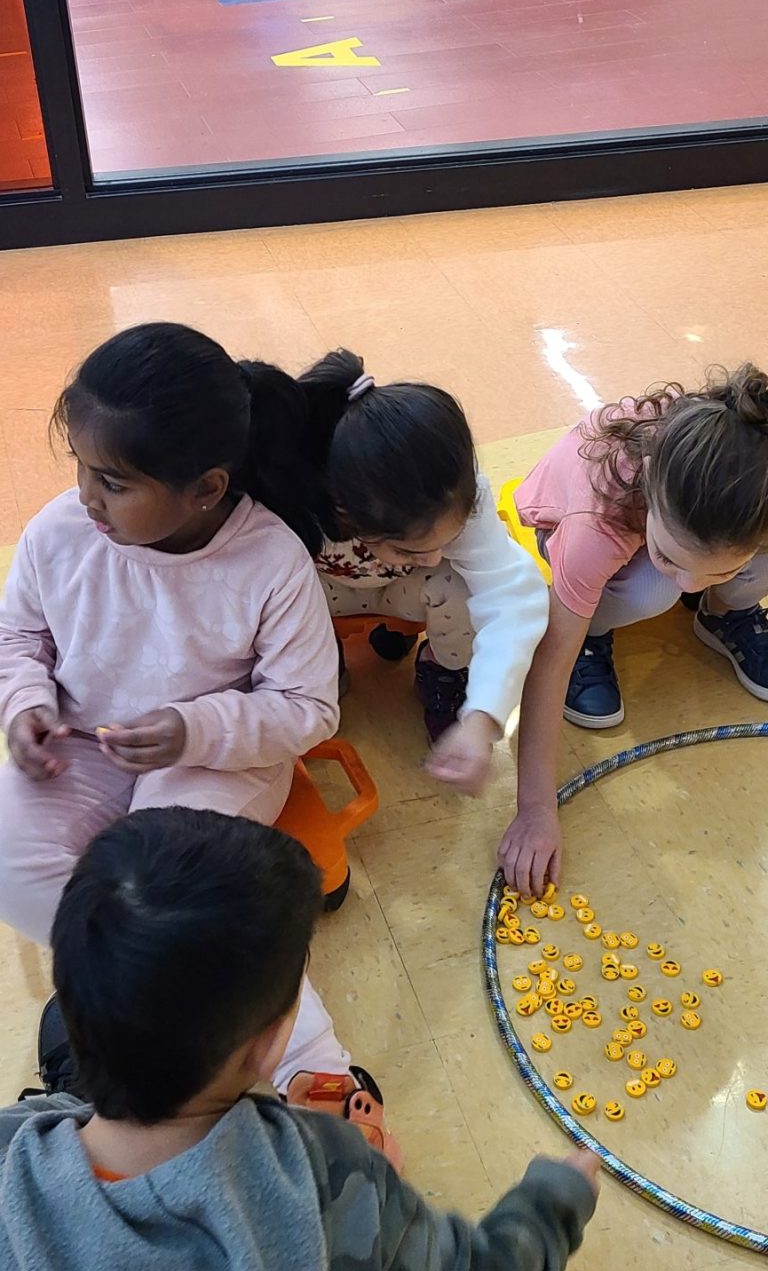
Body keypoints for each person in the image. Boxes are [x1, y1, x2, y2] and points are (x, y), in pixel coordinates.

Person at [0, 807, 600, 1271]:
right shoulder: (333, 1184)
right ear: (267, 1049)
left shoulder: (11, 1149)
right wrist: (553, 1201)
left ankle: (102, 1078)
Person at [0, 321, 359, 1101]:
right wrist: (25, 701)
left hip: (211, 761)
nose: (87, 497)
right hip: (83, 742)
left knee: (177, 890)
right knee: (8, 855)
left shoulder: (269, 562)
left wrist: (194, 727)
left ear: (206, 487)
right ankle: (151, 997)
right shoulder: (60, 531)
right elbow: (17, 634)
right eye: (83, 470)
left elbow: (307, 706)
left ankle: (318, 1067)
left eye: (115, 483)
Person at [499, 364, 768, 895]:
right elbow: (546, 664)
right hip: (565, 524)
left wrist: (706, 567)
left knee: (713, 570)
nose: (693, 581)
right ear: (648, 483)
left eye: (717, 571)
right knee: (657, 590)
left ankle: (725, 611)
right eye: (670, 553)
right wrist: (535, 812)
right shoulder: (596, 522)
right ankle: (592, 634)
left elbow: (698, 556)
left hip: (661, 526)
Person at [268, 348, 549, 798]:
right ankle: (325, 657)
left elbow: (514, 596)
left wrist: (482, 717)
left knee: (457, 584)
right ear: (346, 515)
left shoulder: (454, 492)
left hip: (402, 590)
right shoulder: (297, 497)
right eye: (410, 547)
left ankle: (443, 668)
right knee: (276, 601)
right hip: (321, 591)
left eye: (444, 540)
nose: (434, 556)